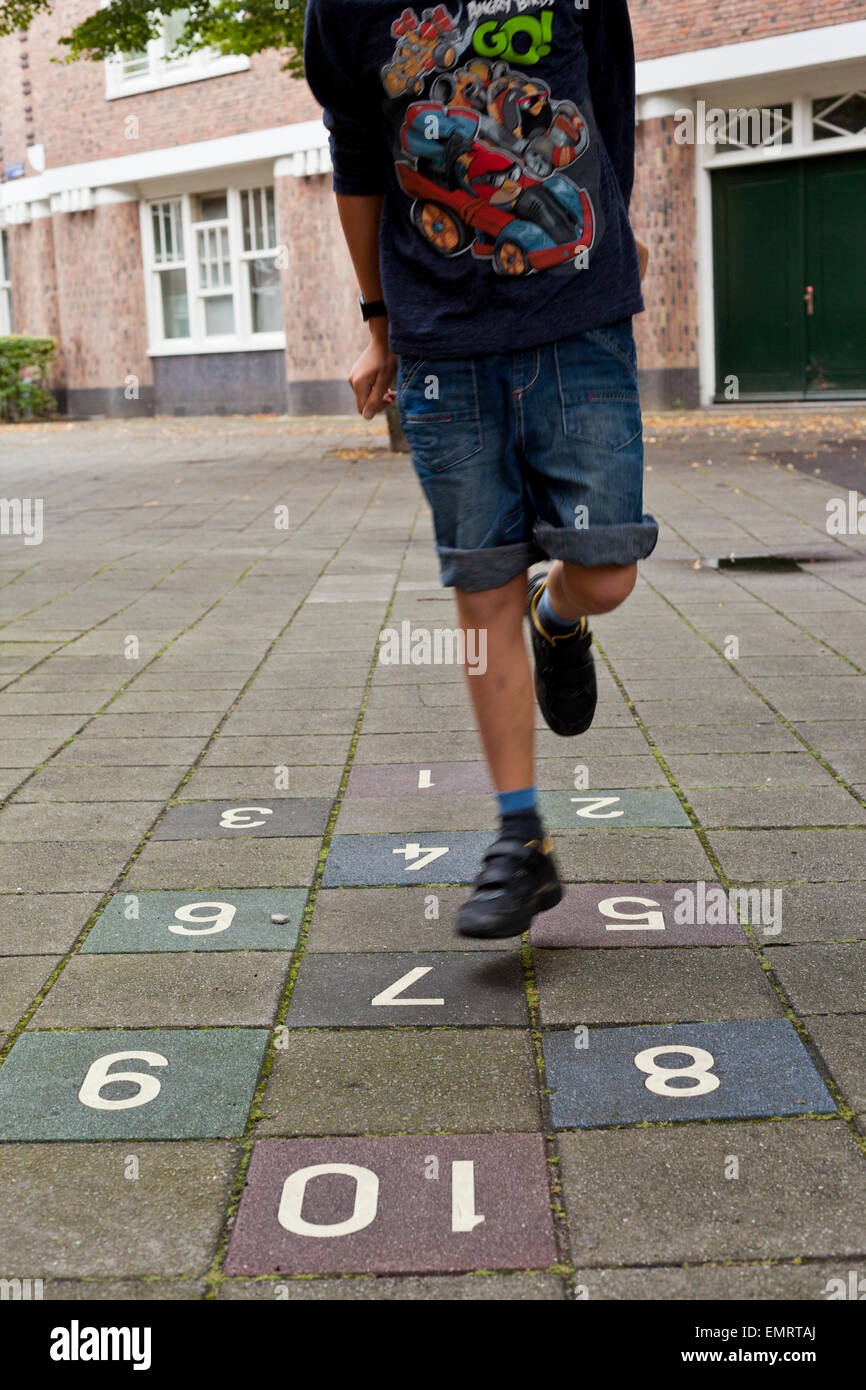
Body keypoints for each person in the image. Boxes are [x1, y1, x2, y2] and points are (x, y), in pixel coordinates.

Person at [305, 0, 656, 939]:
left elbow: (608, 95)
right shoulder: (345, 9)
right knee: (481, 580)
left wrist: (614, 222)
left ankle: (560, 620)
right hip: (440, 338)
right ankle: (518, 837)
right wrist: (377, 325)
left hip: (578, 314)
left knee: (610, 572)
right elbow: (358, 159)